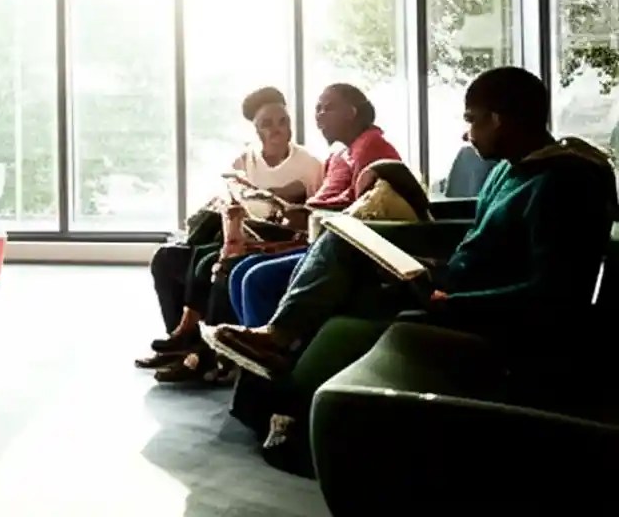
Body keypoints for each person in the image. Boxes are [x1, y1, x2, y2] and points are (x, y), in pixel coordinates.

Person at [204, 66, 619, 388]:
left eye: (473, 119)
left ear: (499, 120)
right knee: (343, 241)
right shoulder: (507, 170)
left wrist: (451, 303)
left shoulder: (563, 185)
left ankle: (287, 386)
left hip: (473, 302)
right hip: (454, 277)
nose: (466, 131)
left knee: (341, 287)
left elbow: (556, 295)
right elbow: (476, 233)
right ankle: (278, 341)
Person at [139, 87, 324, 384]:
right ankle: (179, 344)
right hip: (236, 235)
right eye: (268, 124)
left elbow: (315, 217)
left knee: (213, 266)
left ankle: (203, 354)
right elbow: (230, 203)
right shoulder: (243, 161)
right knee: (167, 258)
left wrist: (285, 207)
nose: (277, 129)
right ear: (256, 130)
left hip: (275, 242)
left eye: (282, 121)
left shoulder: (310, 165)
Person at [225, 83, 402, 329]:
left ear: (351, 112)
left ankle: (272, 350)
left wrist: (308, 214)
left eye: (327, 108)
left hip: (343, 247)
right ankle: (243, 355)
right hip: (317, 234)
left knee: (255, 278)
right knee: (238, 271)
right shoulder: (341, 154)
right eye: (317, 109)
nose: (318, 116)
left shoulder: (372, 147)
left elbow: (367, 211)